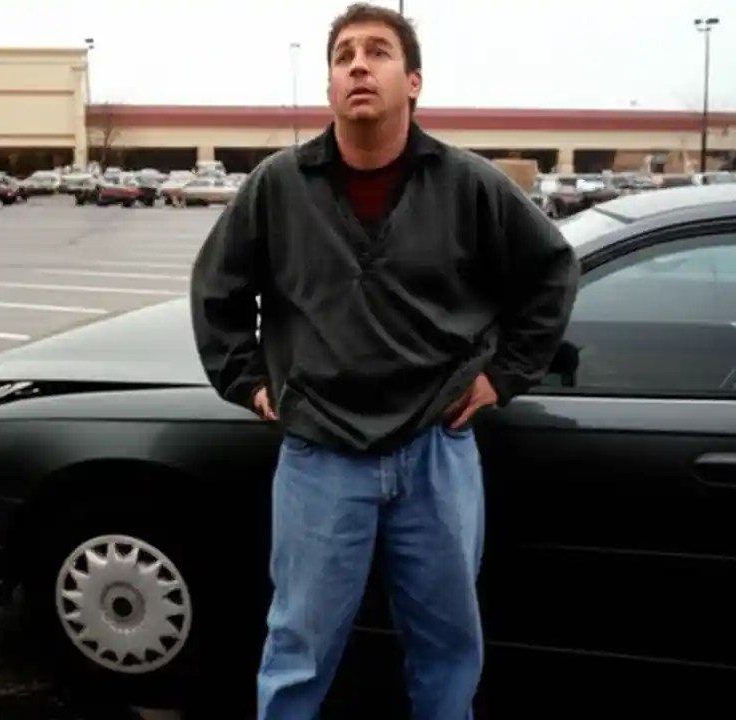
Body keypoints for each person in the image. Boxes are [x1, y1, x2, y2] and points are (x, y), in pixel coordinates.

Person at [188, 4, 580, 719]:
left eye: (378, 52)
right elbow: (216, 289)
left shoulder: (470, 184)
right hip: (320, 455)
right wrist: (246, 382)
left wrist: (503, 376)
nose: (359, 65)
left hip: (436, 451)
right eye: (344, 56)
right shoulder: (278, 185)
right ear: (331, 87)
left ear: (414, 82)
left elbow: (551, 273)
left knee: (447, 643)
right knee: (298, 644)